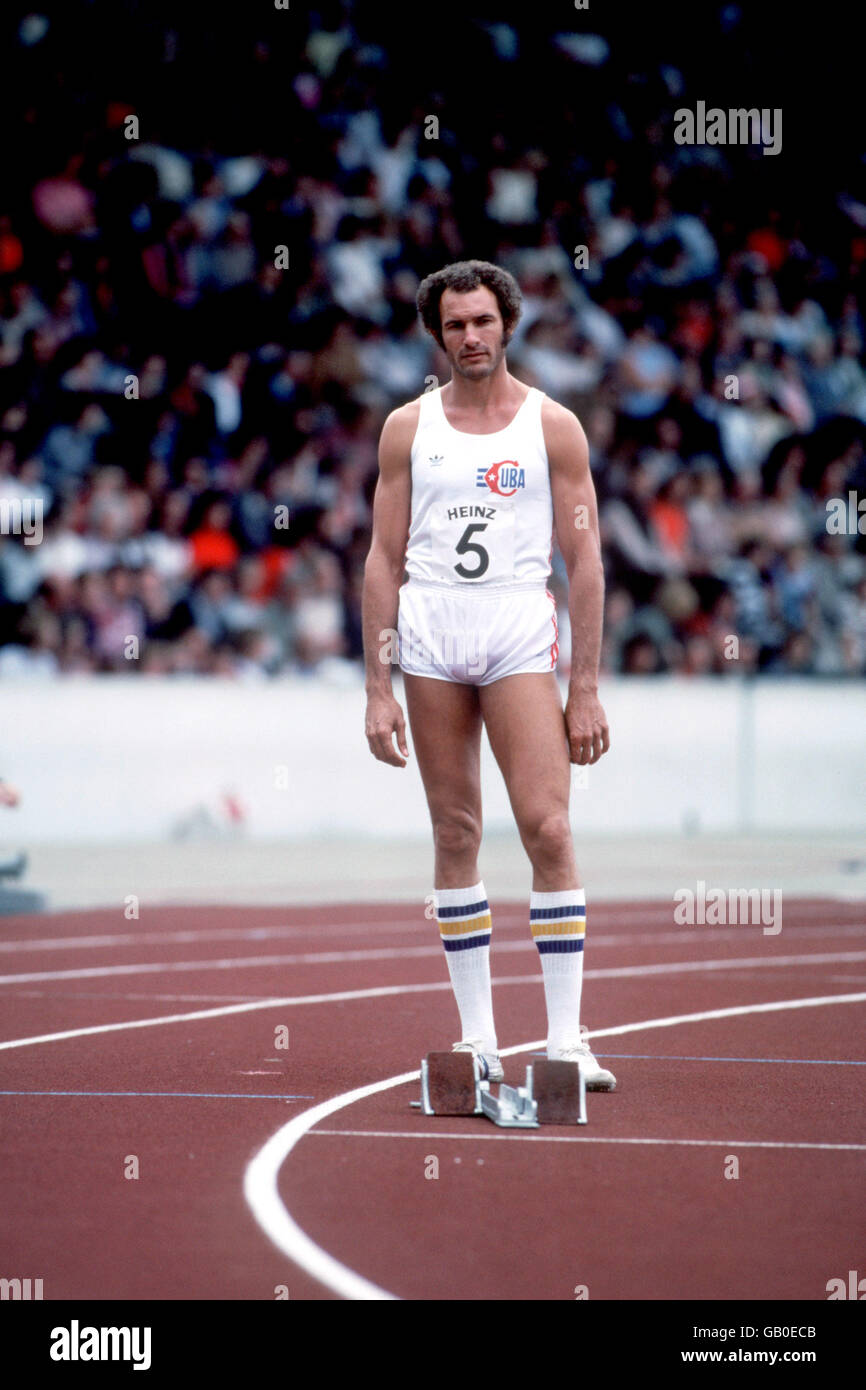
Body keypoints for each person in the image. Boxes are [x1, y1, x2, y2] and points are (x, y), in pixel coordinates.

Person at [362, 260, 615, 1090]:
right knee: (455, 832)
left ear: (507, 324)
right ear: (437, 334)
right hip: (432, 630)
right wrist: (377, 686)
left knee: (547, 828)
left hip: (515, 627)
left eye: (481, 321)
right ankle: (477, 1039)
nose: (469, 337)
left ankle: (567, 1041)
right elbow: (382, 558)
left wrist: (586, 686)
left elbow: (584, 561)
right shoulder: (407, 427)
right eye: (454, 325)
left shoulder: (552, 427)